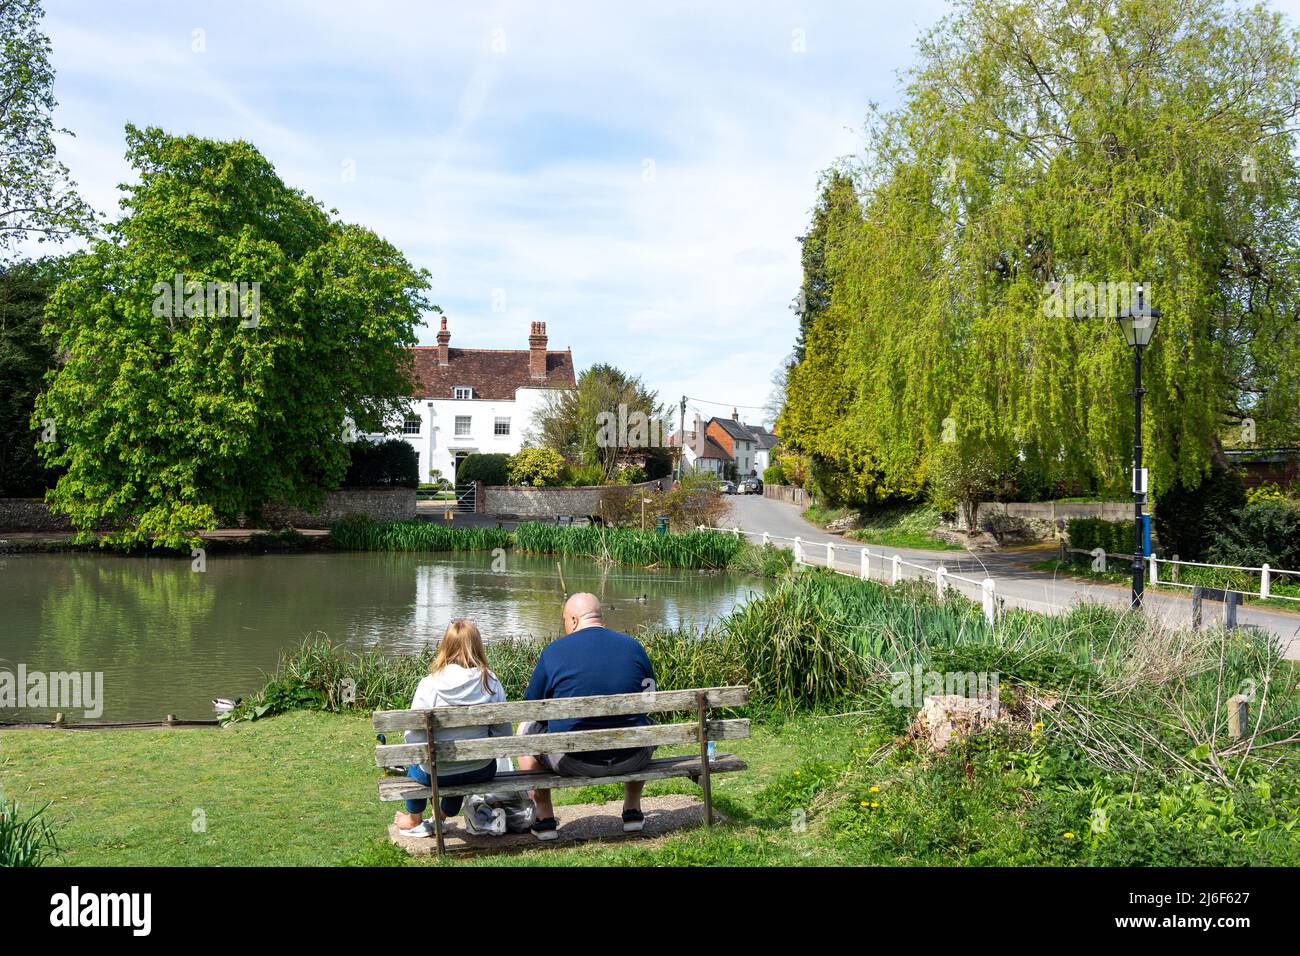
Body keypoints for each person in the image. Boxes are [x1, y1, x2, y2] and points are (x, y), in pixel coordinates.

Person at [517, 592, 656, 840]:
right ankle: (632, 811)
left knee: (525, 730)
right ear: (598, 617)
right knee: (643, 725)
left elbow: (532, 708)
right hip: (632, 756)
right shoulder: (633, 647)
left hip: (572, 761)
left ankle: (545, 818)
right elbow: (650, 699)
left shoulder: (553, 652)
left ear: (572, 620)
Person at [394, 619, 512, 838]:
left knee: (417, 758)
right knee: (458, 764)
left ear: (445, 645)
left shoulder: (429, 684)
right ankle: (439, 817)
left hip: (437, 774)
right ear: (478, 645)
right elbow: (503, 735)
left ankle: (414, 819)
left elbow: (412, 736)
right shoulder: (491, 682)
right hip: (481, 770)